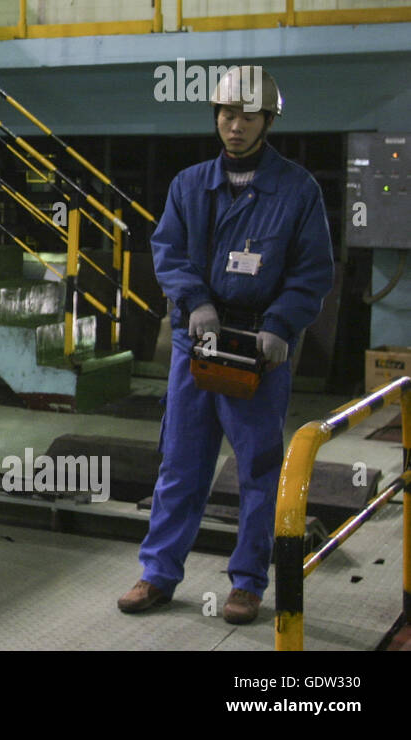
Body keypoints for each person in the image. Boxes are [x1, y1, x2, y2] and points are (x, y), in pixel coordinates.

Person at [117, 64, 333, 624]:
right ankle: (159, 573)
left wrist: (282, 325)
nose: (234, 126)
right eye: (226, 113)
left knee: (259, 470)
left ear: (268, 121)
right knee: (181, 463)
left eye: (247, 116)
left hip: (259, 347)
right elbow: (168, 250)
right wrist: (195, 302)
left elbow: (312, 271)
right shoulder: (190, 185)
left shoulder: (297, 190)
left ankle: (247, 582)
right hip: (198, 342)